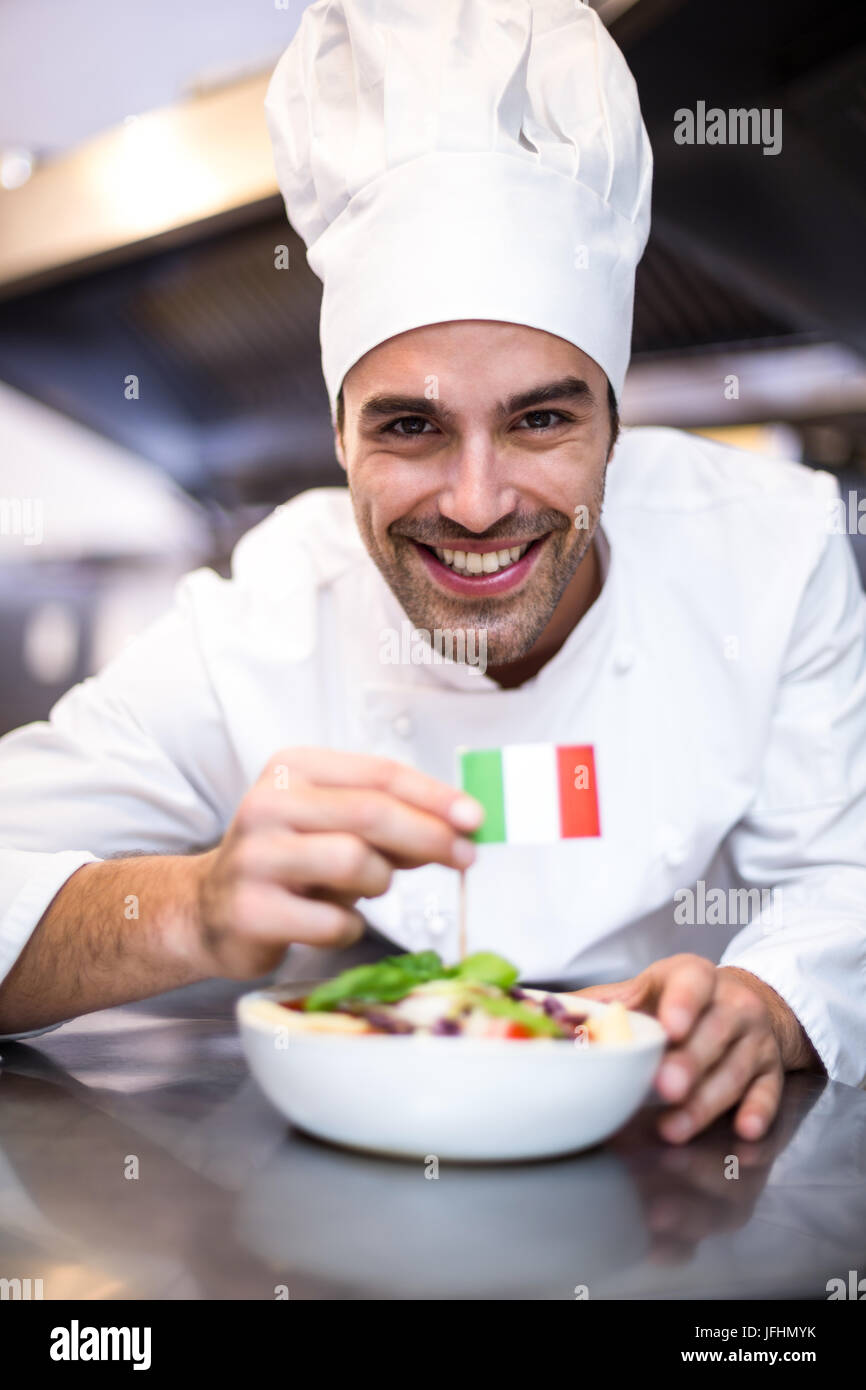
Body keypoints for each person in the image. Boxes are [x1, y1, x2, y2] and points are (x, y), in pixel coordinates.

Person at [1, 0, 863, 1148]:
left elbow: (843, 874)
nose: (474, 501)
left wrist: (768, 1000)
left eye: (539, 418)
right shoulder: (265, 617)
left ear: (613, 421)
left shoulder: (770, 545)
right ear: (340, 435)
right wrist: (192, 908)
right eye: (408, 425)